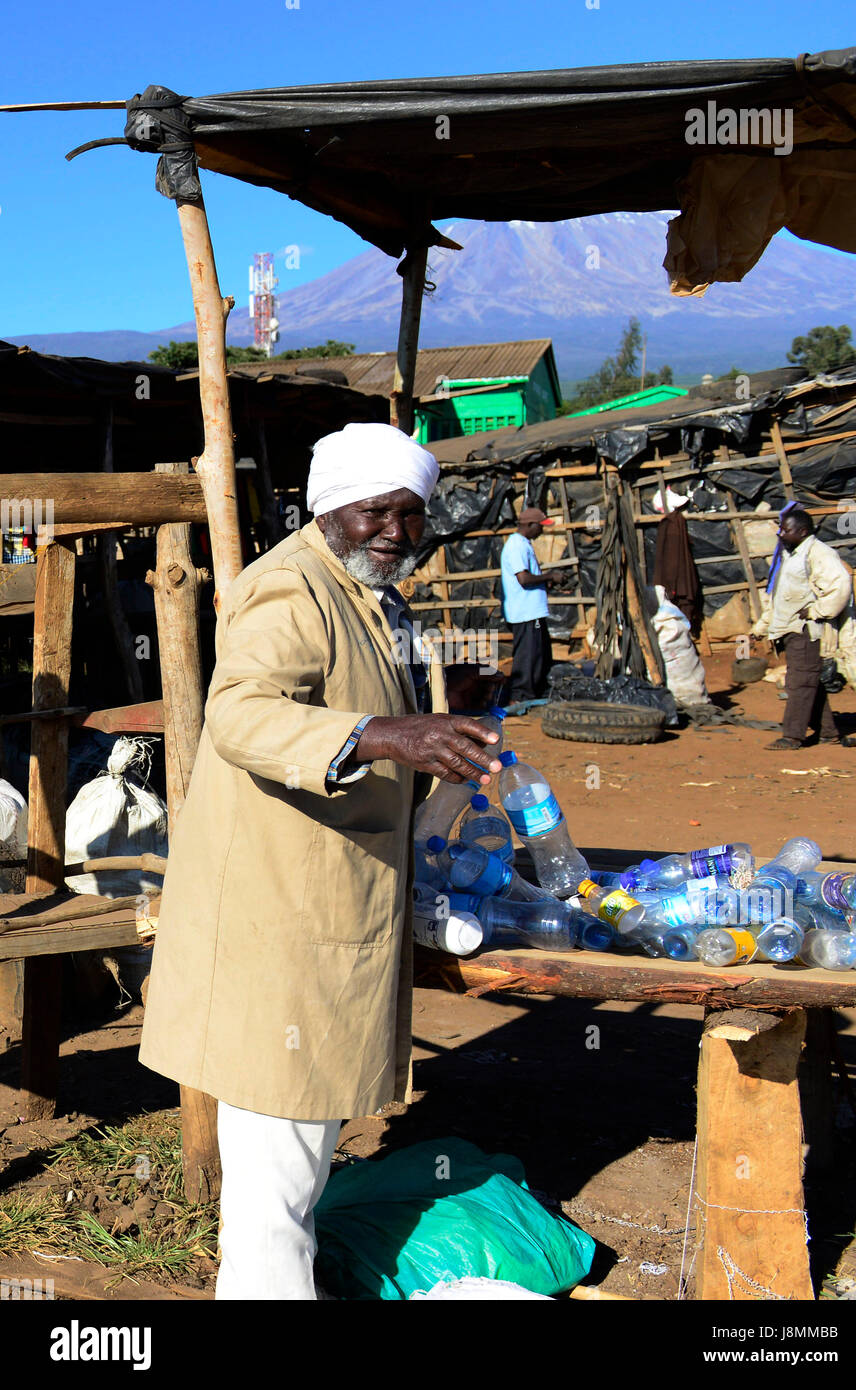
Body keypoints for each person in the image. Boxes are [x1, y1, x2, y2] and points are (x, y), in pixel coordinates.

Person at [138, 421, 502, 1299]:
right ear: (328, 507)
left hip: (324, 910)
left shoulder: (362, 591)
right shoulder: (290, 588)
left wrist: (431, 724)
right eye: (378, 512)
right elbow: (241, 714)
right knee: (276, 1187)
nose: (396, 532)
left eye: (412, 515)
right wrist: (382, 733)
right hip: (281, 927)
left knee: (294, 1169)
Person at [751, 505, 856, 750]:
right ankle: (829, 733)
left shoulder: (819, 553)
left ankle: (792, 736)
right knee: (808, 682)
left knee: (800, 683)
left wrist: (817, 611)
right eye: (780, 529)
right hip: (789, 629)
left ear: (803, 531)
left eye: (785, 530)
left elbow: (840, 586)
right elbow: (779, 598)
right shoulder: (792, 555)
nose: (780, 533)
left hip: (807, 630)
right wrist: (761, 627)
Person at [499, 506, 570, 702]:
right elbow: (523, 578)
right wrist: (551, 576)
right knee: (528, 656)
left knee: (538, 655)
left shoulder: (523, 544)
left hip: (531, 611)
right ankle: (521, 695)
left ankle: (533, 692)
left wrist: (546, 582)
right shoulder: (517, 545)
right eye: (540, 526)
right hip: (526, 612)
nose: (542, 530)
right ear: (529, 525)